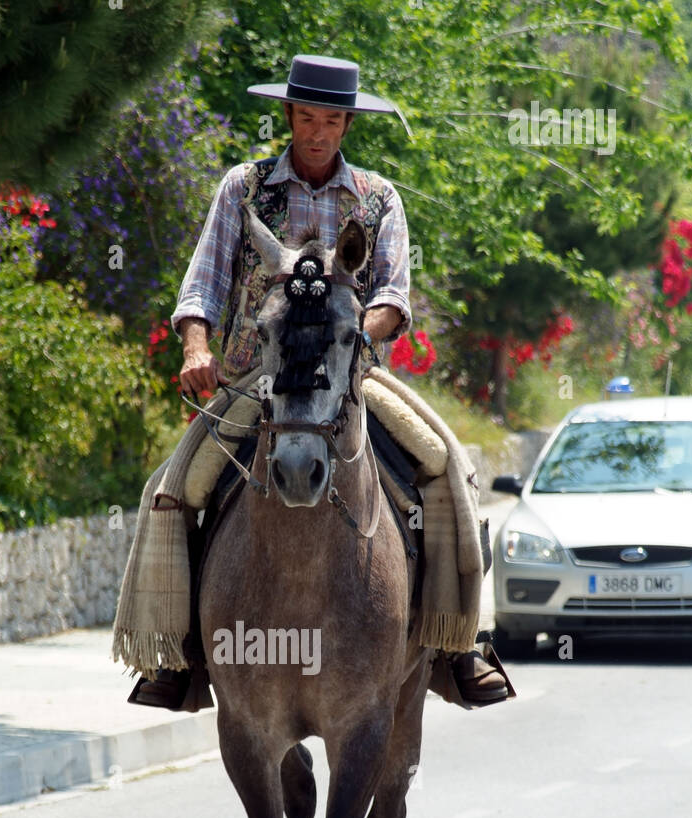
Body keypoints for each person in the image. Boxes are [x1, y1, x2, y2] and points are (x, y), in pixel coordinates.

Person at [133, 54, 508, 707]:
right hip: (258, 378)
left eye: (331, 119)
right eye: (307, 116)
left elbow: (394, 294)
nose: (317, 131)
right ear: (289, 115)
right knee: (171, 489)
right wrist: (197, 347)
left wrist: (356, 325)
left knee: (449, 465)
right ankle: (175, 654)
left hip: (349, 375)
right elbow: (202, 286)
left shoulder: (378, 197)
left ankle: (460, 643)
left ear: (346, 125)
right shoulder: (243, 189)